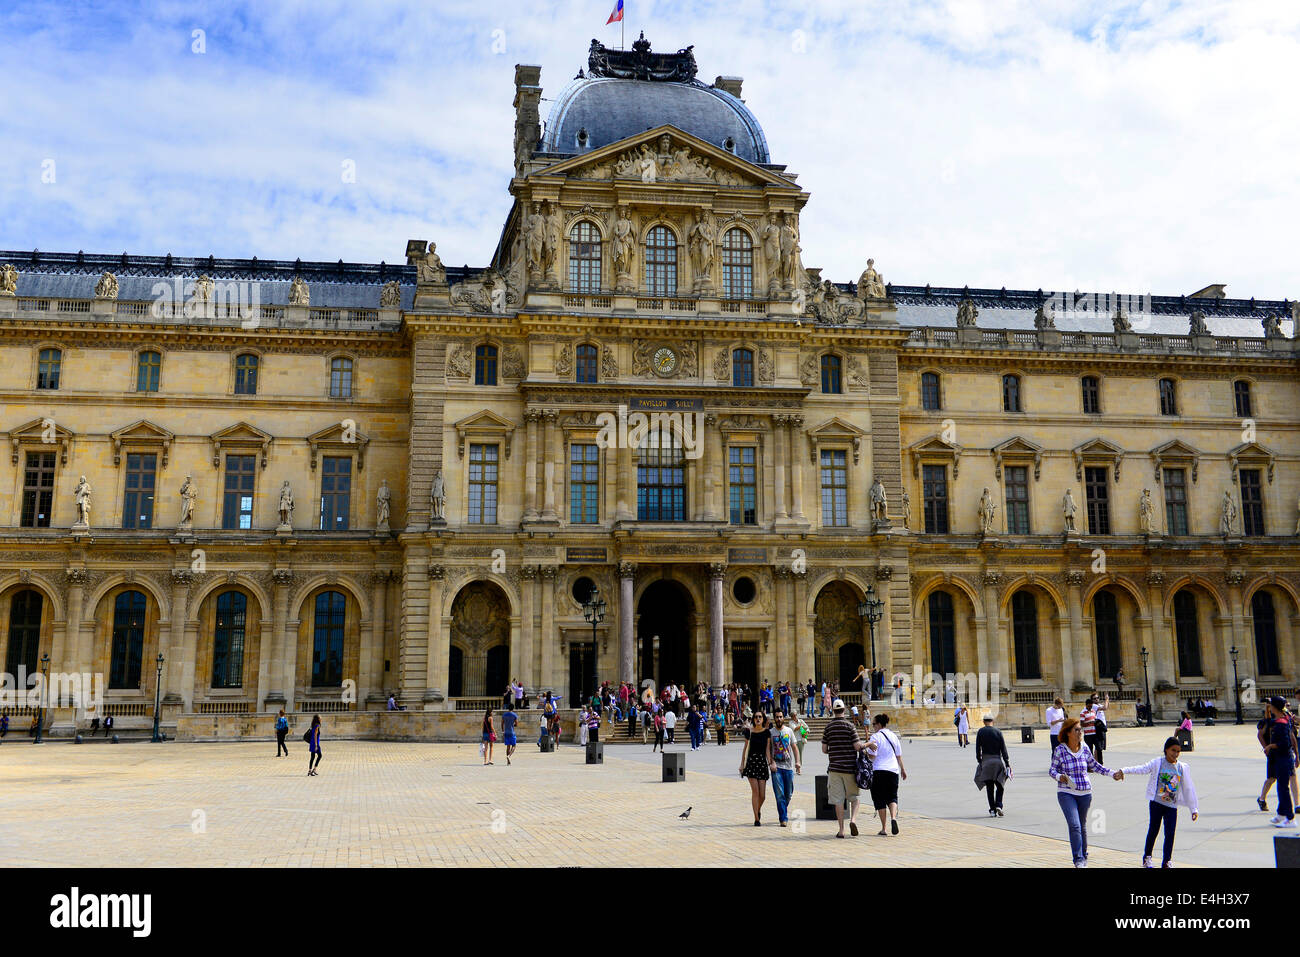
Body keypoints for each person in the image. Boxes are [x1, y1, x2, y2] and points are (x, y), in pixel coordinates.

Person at [1050, 717, 1122, 866]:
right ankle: (1078, 859)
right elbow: (1052, 770)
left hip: (1085, 793)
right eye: (1076, 730)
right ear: (1068, 732)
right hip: (1066, 792)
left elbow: (1095, 766)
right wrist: (1059, 776)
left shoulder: (1084, 747)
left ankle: (1084, 854)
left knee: (1081, 825)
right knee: (1074, 825)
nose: (1080, 732)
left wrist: (1112, 773)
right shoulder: (1060, 750)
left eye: (1080, 730)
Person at [1122, 736, 1199, 867]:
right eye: (1173, 750)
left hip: (1171, 806)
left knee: (1170, 833)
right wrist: (1124, 770)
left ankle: (1167, 860)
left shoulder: (1181, 767)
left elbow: (1188, 789)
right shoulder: (1158, 763)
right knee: (1153, 830)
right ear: (1166, 750)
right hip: (1156, 804)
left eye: (1178, 751)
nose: (1175, 754)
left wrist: (1194, 809)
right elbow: (1142, 769)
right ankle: (1147, 857)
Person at [821, 699, 866, 838]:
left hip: (834, 768)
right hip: (849, 768)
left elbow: (824, 749)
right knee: (854, 797)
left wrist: (834, 750)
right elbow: (857, 746)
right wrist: (868, 744)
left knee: (838, 800)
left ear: (833, 711)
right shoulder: (850, 726)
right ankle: (852, 820)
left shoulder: (828, 727)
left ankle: (841, 830)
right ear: (844, 710)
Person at [866, 713, 907, 836]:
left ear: (879, 724)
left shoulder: (875, 737)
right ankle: (893, 818)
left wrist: (865, 752)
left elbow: (872, 756)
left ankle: (884, 828)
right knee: (892, 797)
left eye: (874, 724)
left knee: (879, 799)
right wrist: (903, 770)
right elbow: (898, 756)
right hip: (893, 770)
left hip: (878, 770)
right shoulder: (893, 736)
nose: (873, 726)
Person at [1264, 696, 1298, 828]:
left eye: (1271, 705)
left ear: (1274, 707)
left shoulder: (1281, 724)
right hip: (1284, 758)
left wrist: (1270, 746)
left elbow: (1285, 743)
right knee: (1282, 787)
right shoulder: (1284, 719)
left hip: (1283, 758)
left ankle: (1290, 818)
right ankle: (1281, 814)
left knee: (1283, 788)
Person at [768, 712, 801, 827]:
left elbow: (794, 747)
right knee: (780, 794)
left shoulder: (789, 731)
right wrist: (771, 762)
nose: (779, 719)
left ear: (783, 718)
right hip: (776, 767)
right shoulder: (771, 732)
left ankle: (783, 809)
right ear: (774, 718)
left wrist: (798, 762)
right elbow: (767, 749)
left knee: (788, 794)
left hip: (788, 767)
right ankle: (783, 818)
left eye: (780, 717)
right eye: (777, 717)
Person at [740, 712, 771, 826]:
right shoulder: (749, 732)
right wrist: (742, 764)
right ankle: (756, 819)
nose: (758, 719)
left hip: (762, 763)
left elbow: (767, 750)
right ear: (753, 719)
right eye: (756, 717)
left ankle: (757, 809)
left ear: (763, 719)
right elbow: (745, 749)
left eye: (760, 717)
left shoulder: (767, 732)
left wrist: (770, 762)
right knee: (755, 792)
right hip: (751, 763)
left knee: (762, 795)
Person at [974, 713, 1009, 816]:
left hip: (986, 761)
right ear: (992, 721)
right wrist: (1007, 763)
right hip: (997, 761)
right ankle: (999, 804)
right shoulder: (998, 732)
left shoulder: (981, 731)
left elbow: (978, 748)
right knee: (1000, 785)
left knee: (990, 787)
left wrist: (979, 760)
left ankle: (992, 810)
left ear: (984, 722)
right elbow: (1003, 749)